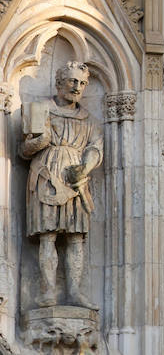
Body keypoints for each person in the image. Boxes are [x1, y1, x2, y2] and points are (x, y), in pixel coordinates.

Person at [20, 60, 103, 309]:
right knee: (48, 235)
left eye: (83, 83)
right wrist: (41, 141)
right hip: (47, 176)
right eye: (73, 81)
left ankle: (75, 291)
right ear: (59, 83)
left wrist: (85, 167)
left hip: (75, 178)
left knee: (76, 236)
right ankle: (48, 292)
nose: (77, 87)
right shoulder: (41, 109)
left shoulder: (89, 120)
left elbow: (96, 148)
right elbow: (23, 150)